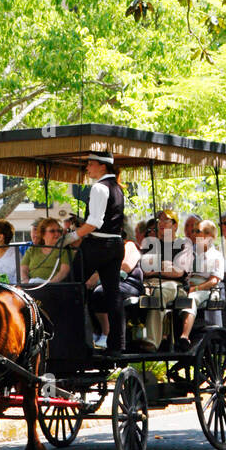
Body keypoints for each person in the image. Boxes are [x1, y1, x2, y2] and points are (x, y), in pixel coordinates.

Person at [68, 151, 126, 353]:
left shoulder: (100, 188)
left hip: (98, 246)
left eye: (90, 164)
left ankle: (73, 340)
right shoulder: (118, 188)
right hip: (116, 245)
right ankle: (116, 345)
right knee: (113, 294)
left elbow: (94, 222)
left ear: (102, 166)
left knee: (71, 286)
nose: (87, 168)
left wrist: (72, 236)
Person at [139, 210, 193, 348]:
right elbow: (144, 269)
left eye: (166, 220)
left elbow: (178, 272)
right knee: (132, 293)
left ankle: (151, 341)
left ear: (175, 225)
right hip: (149, 283)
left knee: (160, 292)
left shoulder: (183, 245)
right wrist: (163, 266)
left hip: (175, 286)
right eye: (159, 221)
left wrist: (155, 269)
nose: (161, 223)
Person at [88, 226, 145, 351]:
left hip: (129, 283)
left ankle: (106, 333)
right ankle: (92, 332)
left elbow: (126, 266)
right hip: (111, 282)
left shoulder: (129, 245)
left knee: (102, 292)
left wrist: (99, 275)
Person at [179, 220, 223, 349]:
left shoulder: (216, 256)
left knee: (191, 299)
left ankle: (184, 336)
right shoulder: (192, 252)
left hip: (205, 288)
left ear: (208, 236)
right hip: (188, 285)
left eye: (198, 231)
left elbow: (214, 280)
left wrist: (196, 288)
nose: (195, 234)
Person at [20, 217, 71, 284]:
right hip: (32, 285)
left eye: (59, 231)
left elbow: (63, 272)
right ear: (43, 234)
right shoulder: (32, 250)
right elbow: (23, 269)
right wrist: (25, 281)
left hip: (53, 287)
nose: (57, 234)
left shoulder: (63, 250)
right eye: (52, 231)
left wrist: (50, 284)